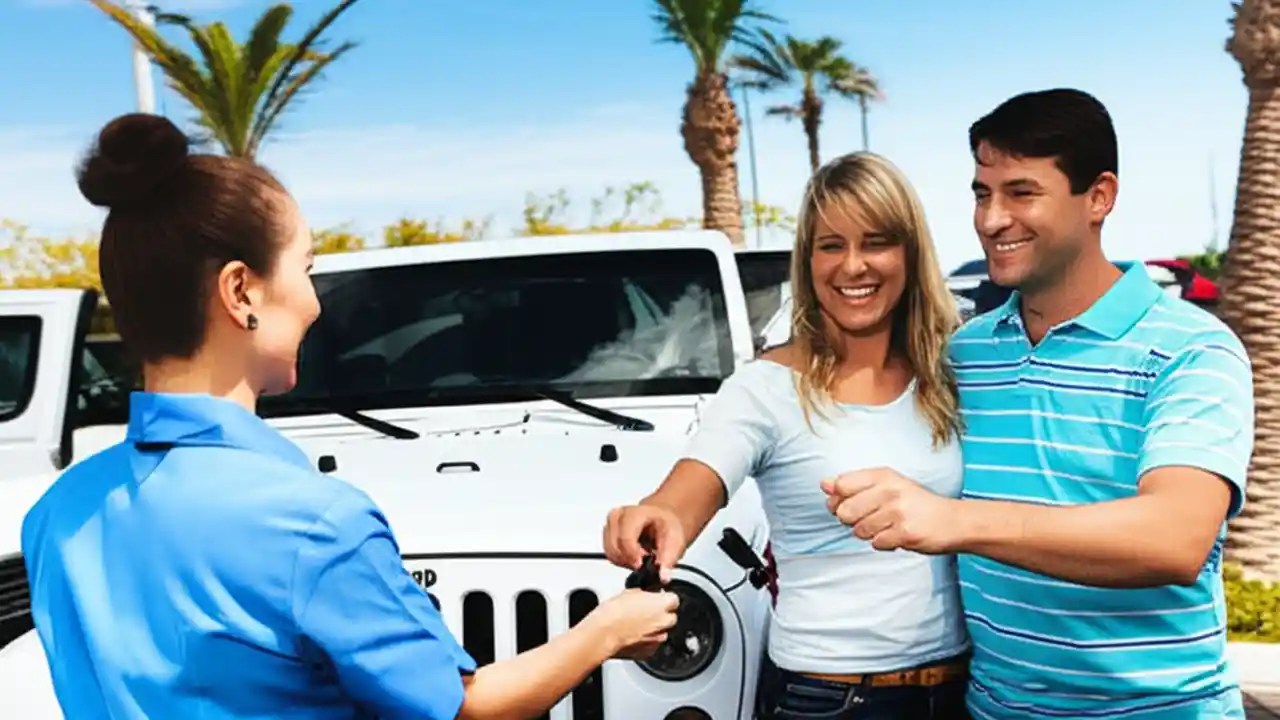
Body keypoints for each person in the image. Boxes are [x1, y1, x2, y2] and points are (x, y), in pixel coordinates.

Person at [20, 113, 679, 720]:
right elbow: (462, 708)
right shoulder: (312, 522)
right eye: (306, 270)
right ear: (241, 291)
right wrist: (607, 631)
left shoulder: (57, 513)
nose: (315, 302)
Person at [822, 88, 1253, 719]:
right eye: (981, 193)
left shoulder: (1192, 349)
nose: (992, 219)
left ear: (1099, 197)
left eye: (1022, 193)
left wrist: (957, 521)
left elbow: (1176, 538)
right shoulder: (966, 355)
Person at [603, 151, 972, 719]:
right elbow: (691, 488)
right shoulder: (764, 389)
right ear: (807, 258)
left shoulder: (950, 375)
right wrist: (656, 517)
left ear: (910, 252)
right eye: (832, 245)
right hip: (829, 700)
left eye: (876, 242)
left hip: (961, 690)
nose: (853, 266)